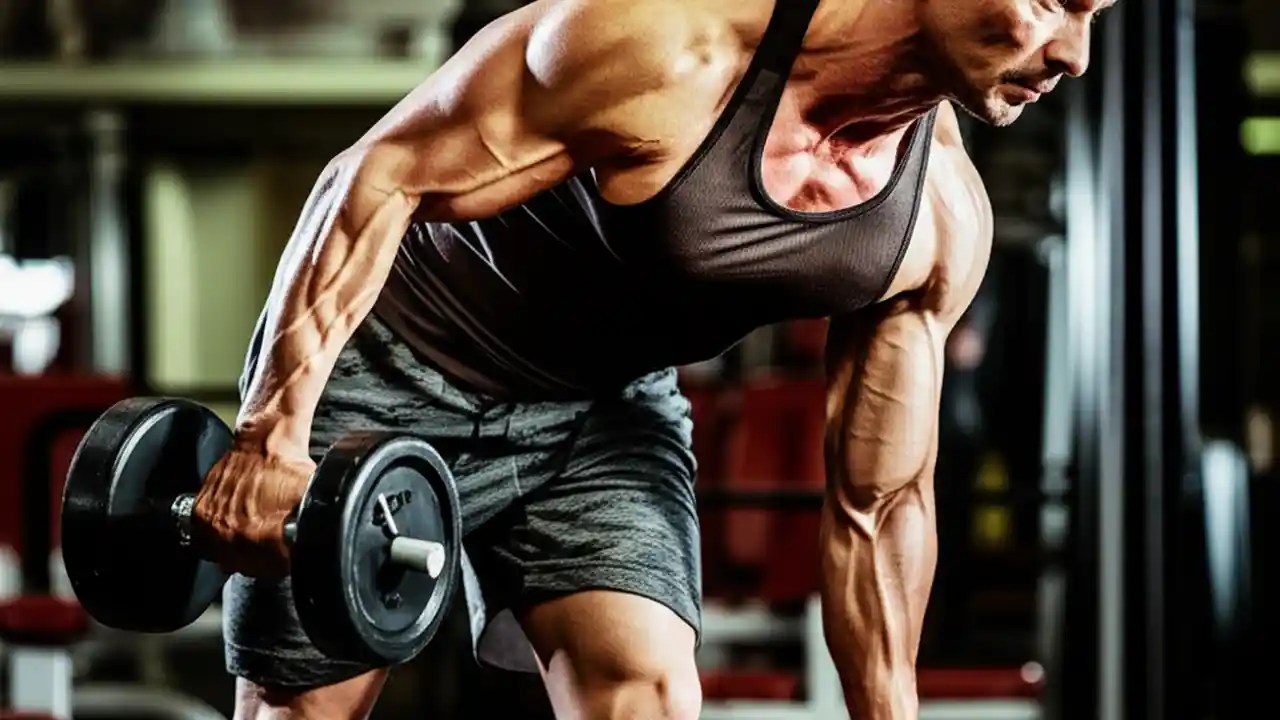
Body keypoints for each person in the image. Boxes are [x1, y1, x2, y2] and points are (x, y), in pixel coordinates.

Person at [192, 0, 1110, 717]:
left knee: (650, 696)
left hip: (603, 416)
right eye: (1055, 4)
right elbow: (376, 179)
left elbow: (881, 505)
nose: (1073, 56)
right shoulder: (670, 43)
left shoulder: (933, 223)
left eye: (1094, 21)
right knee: (298, 708)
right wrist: (271, 435)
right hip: (402, 365)